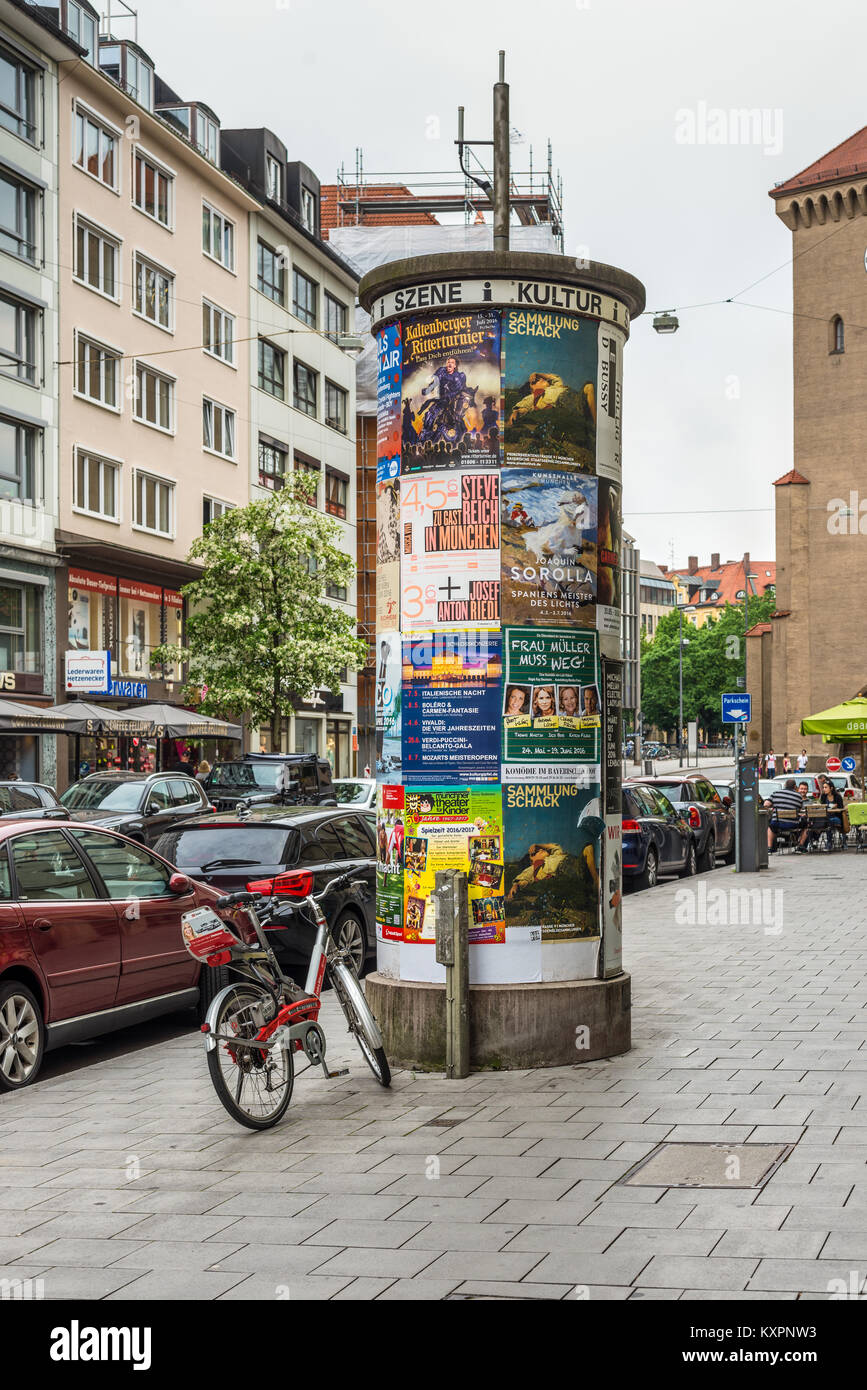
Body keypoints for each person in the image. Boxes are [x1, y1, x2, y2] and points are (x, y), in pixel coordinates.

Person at [763, 777, 802, 852]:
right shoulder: (798, 796)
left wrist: (773, 805)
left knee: (770, 828)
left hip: (777, 823)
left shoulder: (776, 793)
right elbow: (799, 809)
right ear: (795, 787)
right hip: (792, 824)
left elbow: (766, 804)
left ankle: (769, 848)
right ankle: (800, 845)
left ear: (785, 786)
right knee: (805, 825)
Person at [818, 776, 845, 850]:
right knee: (822, 821)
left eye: (826, 787)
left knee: (828, 822)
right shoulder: (823, 796)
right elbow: (822, 806)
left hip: (837, 817)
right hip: (827, 817)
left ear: (831, 788)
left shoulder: (837, 796)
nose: (824, 789)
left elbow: (841, 808)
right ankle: (814, 839)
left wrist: (836, 807)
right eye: (823, 787)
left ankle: (829, 843)